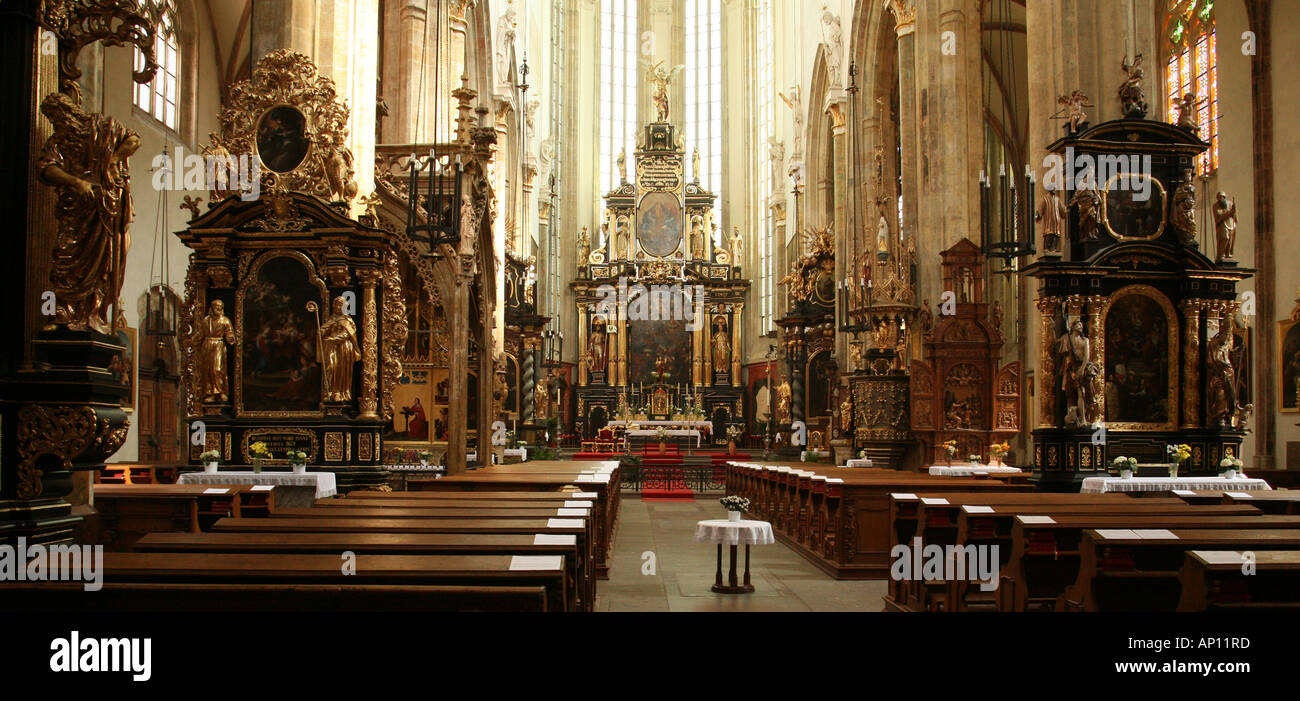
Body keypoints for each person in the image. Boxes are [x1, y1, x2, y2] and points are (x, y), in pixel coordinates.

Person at [319, 296, 361, 402]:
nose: (337, 307)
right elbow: (324, 330)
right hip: (332, 348)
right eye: (336, 305)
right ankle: (331, 391)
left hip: (344, 347)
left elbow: (348, 334)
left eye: (340, 305)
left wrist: (334, 338)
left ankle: (342, 392)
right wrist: (321, 332)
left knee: (343, 369)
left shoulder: (348, 320)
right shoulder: (331, 319)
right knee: (332, 368)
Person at [195, 300, 236, 402]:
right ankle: (210, 393)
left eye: (220, 306)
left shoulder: (225, 320)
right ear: (212, 307)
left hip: (218, 345)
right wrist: (192, 341)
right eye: (217, 306)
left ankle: (221, 392)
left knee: (217, 369)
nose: (219, 308)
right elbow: (200, 334)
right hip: (207, 344)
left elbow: (229, 332)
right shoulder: (206, 320)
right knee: (207, 370)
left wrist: (230, 338)